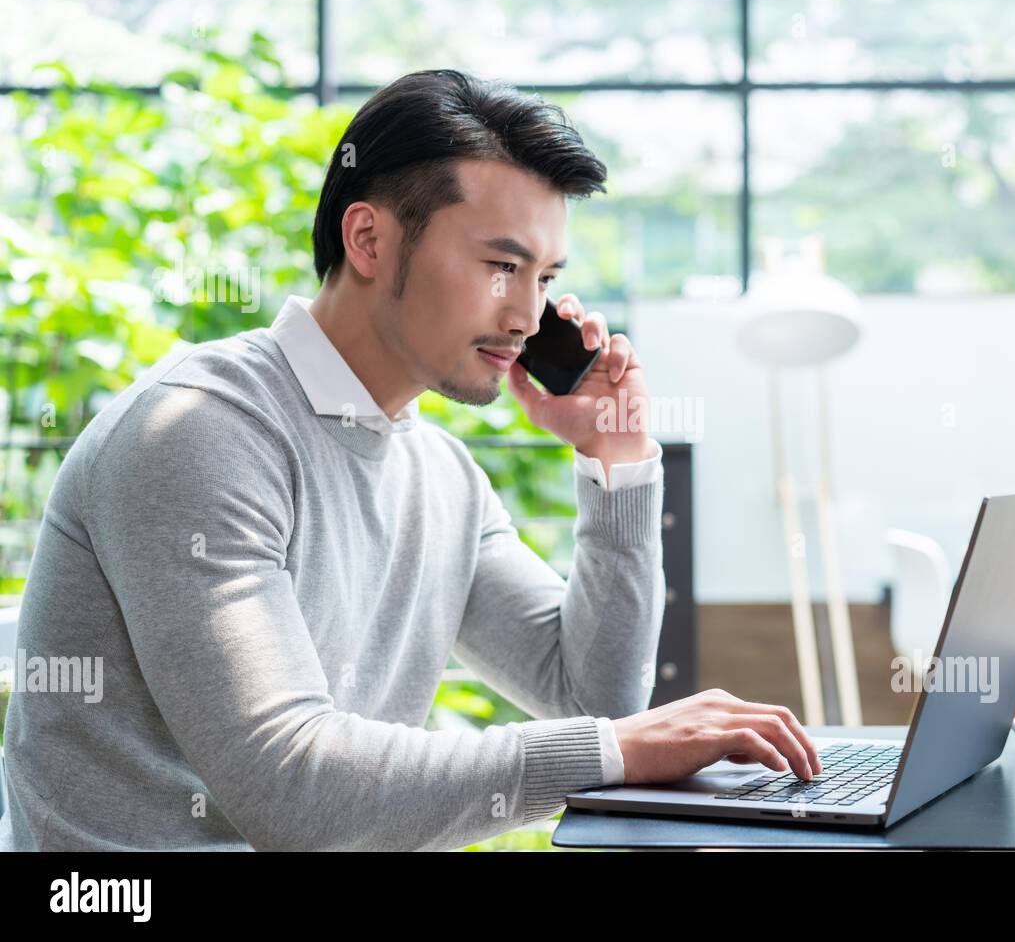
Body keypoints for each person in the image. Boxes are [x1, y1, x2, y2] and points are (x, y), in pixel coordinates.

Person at [0, 69, 819, 851]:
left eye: (546, 277)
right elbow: (289, 788)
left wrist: (618, 460)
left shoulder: (439, 474)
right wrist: (615, 749)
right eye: (501, 266)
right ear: (368, 239)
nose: (529, 316)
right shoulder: (199, 431)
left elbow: (593, 695)